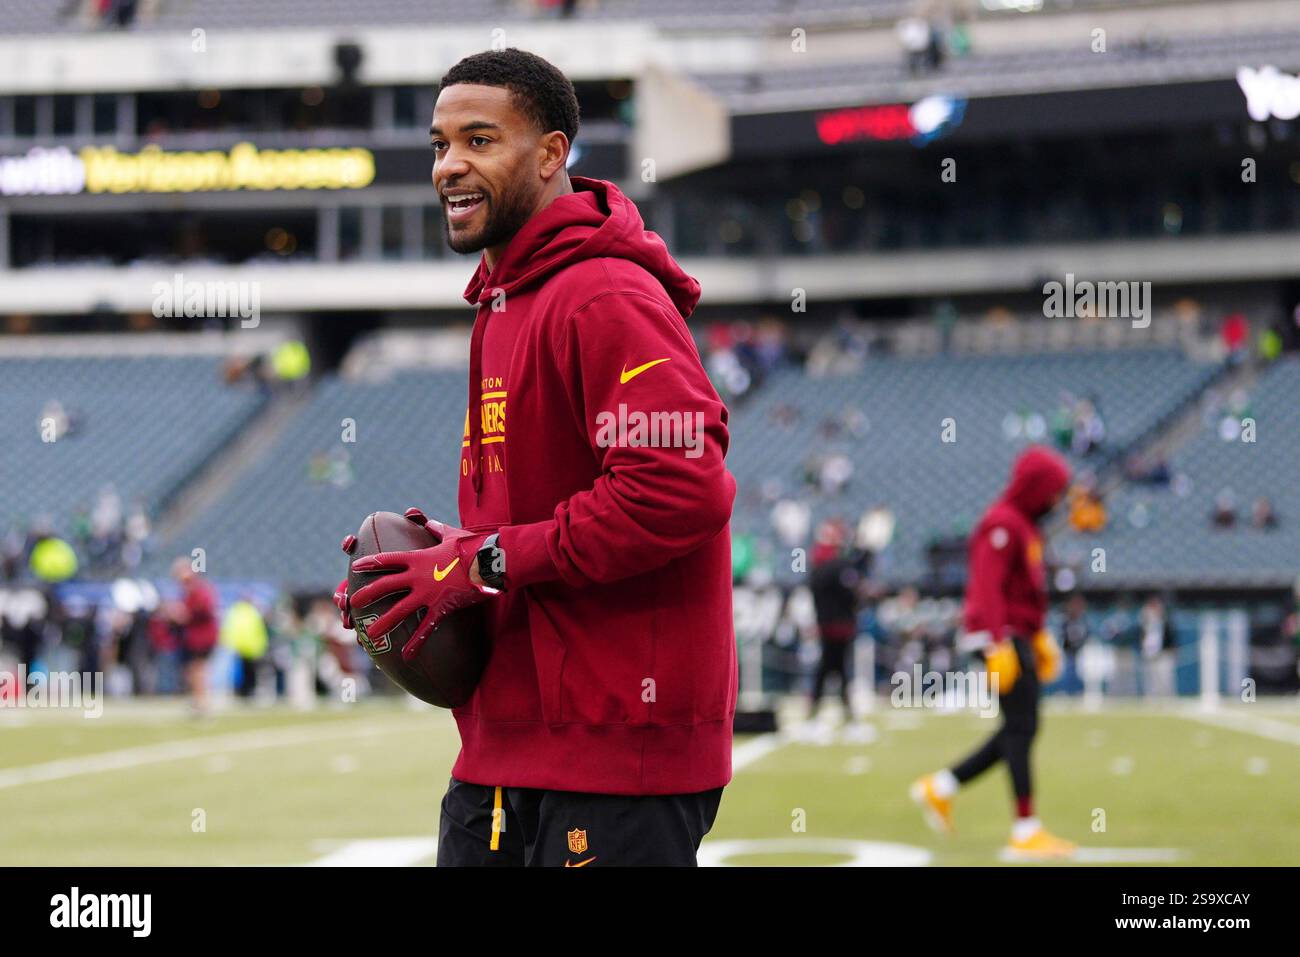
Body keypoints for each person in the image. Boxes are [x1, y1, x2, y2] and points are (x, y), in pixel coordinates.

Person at [334, 49, 736, 867]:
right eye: (440, 144)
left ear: (552, 154)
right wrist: (443, 555)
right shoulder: (502, 301)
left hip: (617, 748)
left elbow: (679, 489)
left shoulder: (606, 294)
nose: (450, 166)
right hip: (505, 741)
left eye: (479, 140)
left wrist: (476, 562)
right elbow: (533, 526)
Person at [910, 446, 1077, 860]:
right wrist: (997, 641)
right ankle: (1024, 829)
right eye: (1053, 490)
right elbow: (987, 587)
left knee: (1021, 727)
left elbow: (1024, 591)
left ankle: (942, 787)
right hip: (999, 635)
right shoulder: (1002, 523)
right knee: (1022, 726)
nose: (1057, 500)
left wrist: (1038, 636)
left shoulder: (1022, 525)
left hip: (1015, 633)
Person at [807, 519, 866, 720]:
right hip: (840, 624)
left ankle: (819, 705)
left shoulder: (817, 565)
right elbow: (851, 594)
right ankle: (843, 707)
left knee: (828, 667)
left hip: (825, 622)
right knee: (835, 666)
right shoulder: (839, 566)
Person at [168, 557, 218, 716]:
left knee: (197, 670)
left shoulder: (198, 590)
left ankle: (201, 703)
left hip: (201, 637)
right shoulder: (190, 590)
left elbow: (201, 610)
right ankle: (199, 701)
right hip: (196, 637)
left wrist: (181, 614)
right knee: (194, 670)